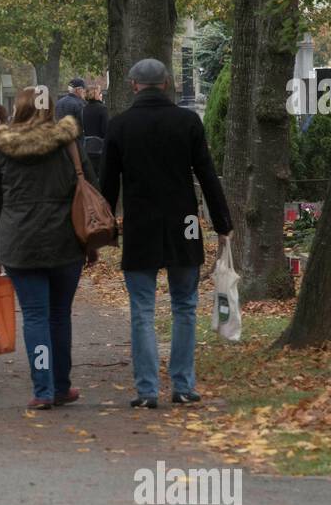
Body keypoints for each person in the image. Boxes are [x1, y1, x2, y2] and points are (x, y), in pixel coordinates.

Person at [99, 58, 232, 409]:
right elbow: (206, 174)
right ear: (168, 83)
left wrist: (103, 230)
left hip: (140, 224)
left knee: (142, 308)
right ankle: (184, 385)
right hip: (183, 223)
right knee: (185, 305)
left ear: (132, 85)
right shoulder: (187, 122)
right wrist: (223, 225)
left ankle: (146, 391)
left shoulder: (120, 126)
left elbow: (108, 184)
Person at [0, 86, 95, 410]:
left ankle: (43, 389)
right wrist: (90, 243)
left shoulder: (4, 150)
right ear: (50, 109)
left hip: (19, 245)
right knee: (60, 316)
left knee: (35, 316)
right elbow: (89, 189)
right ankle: (61, 386)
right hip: (65, 242)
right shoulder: (68, 145)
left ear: (19, 108)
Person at [80, 84, 110, 184]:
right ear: (96, 94)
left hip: (87, 146)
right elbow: (105, 130)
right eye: (99, 92)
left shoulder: (84, 109)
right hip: (100, 147)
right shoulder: (102, 109)